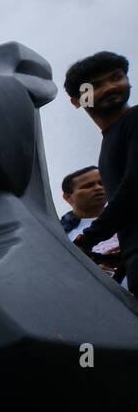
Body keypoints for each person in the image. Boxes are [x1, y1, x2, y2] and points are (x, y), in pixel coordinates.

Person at [65, 51, 138, 293]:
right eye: (95, 85)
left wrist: (88, 238)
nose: (109, 88)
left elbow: (134, 187)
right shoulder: (110, 141)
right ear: (76, 100)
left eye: (116, 78)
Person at [60, 166, 123, 279]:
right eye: (88, 186)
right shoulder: (59, 234)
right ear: (68, 197)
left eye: (101, 183)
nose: (98, 188)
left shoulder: (129, 220)